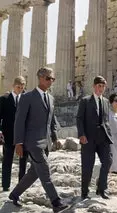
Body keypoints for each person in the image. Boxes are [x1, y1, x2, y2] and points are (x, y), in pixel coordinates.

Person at [9, 67, 68, 212]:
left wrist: (55, 138)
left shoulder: (51, 98)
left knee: (34, 173)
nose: (51, 81)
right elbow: (19, 121)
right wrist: (18, 143)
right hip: (32, 142)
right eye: (48, 78)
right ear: (40, 78)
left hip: (46, 142)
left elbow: (51, 120)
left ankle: (14, 194)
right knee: (45, 170)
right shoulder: (27, 97)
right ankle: (56, 202)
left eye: (52, 79)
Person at [76, 76, 113, 200]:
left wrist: (109, 135)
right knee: (87, 166)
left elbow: (106, 120)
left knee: (107, 161)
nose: (101, 88)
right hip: (88, 138)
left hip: (103, 138)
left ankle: (102, 189)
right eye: (99, 86)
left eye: (103, 86)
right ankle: (84, 192)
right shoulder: (85, 101)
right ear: (94, 86)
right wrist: (81, 134)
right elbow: (79, 118)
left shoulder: (106, 102)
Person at [0, 76, 28, 192]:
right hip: (8, 135)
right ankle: (6, 185)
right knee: (7, 160)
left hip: (23, 135)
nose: (20, 89)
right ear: (13, 86)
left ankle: (21, 185)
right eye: (18, 87)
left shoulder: (26, 99)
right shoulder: (4, 99)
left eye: (22, 87)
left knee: (23, 161)